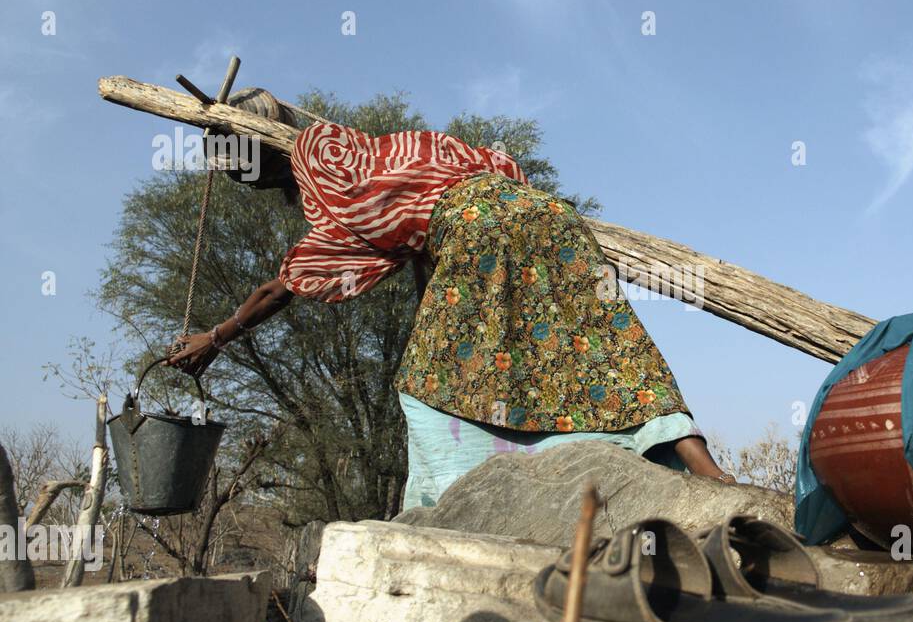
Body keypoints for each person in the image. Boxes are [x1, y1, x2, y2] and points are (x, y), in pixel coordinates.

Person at [166, 121, 733, 508]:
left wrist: (216, 337)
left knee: (426, 379)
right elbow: (424, 260)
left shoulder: (335, 191)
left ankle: (450, 499)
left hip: (476, 230)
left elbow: (281, 287)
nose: (267, 188)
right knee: (610, 345)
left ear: (270, 163)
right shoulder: (394, 155)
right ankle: (705, 472)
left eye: (260, 176)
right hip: (550, 216)